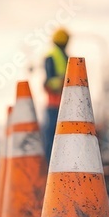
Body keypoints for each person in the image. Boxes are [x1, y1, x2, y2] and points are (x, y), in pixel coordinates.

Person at [42, 28, 70, 160]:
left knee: (56, 136)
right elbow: (49, 82)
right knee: (53, 135)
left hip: (62, 103)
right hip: (56, 103)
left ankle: (55, 164)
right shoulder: (55, 57)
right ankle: (50, 165)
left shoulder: (59, 56)